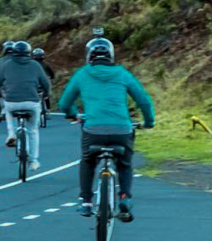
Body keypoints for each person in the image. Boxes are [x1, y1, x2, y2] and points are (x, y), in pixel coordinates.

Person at [58, 35, 155, 222]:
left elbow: (64, 103)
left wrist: (73, 114)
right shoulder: (123, 74)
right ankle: (125, 197)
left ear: (88, 56)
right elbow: (143, 101)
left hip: (93, 130)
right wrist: (149, 122)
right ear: (111, 56)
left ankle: (86, 201)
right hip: (121, 130)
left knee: (87, 160)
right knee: (125, 164)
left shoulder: (82, 74)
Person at [0, 40, 52, 170]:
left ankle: (12, 134)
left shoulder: (6, 65)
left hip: (12, 101)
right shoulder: (35, 65)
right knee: (33, 130)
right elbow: (45, 82)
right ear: (29, 53)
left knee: (8, 111)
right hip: (31, 102)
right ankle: (34, 161)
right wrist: (46, 94)